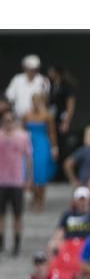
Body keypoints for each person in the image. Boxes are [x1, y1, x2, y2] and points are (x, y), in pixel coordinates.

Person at [0, 107, 31, 255]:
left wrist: (29, 178)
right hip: (2, 181)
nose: (8, 123)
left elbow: (28, 157)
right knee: (1, 215)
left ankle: (17, 243)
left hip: (17, 181)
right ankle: (1, 242)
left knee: (17, 215)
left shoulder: (23, 136)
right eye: (6, 121)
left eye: (11, 121)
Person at [23, 92, 57, 212]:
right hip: (29, 144)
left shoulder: (47, 116)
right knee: (28, 172)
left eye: (39, 101)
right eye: (34, 101)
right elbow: (22, 131)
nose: (36, 104)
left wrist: (54, 147)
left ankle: (40, 200)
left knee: (41, 173)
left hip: (43, 144)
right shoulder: (26, 115)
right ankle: (34, 195)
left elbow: (51, 133)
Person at [5, 55, 49, 119]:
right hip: (18, 117)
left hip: (37, 118)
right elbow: (10, 96)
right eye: (29, 68)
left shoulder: (43, 80)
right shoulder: (17, 79)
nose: (31, 71)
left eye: (34, 69)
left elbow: (45, 100)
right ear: (25, 68)